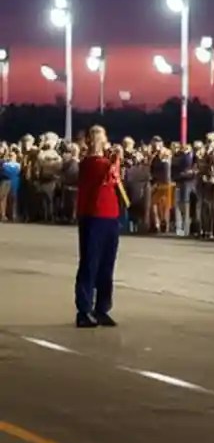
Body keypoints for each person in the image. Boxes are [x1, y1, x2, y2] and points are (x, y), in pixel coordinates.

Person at [74, 126, 122, 328]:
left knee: (106, 264)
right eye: (98, 138)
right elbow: (108, 175)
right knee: (90, 262)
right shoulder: (91, 163)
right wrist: (115, 159)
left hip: (110, 215)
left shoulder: (104, 162)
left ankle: (102, 308)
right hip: (93, 215)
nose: (101, 141)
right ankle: (84, 310)